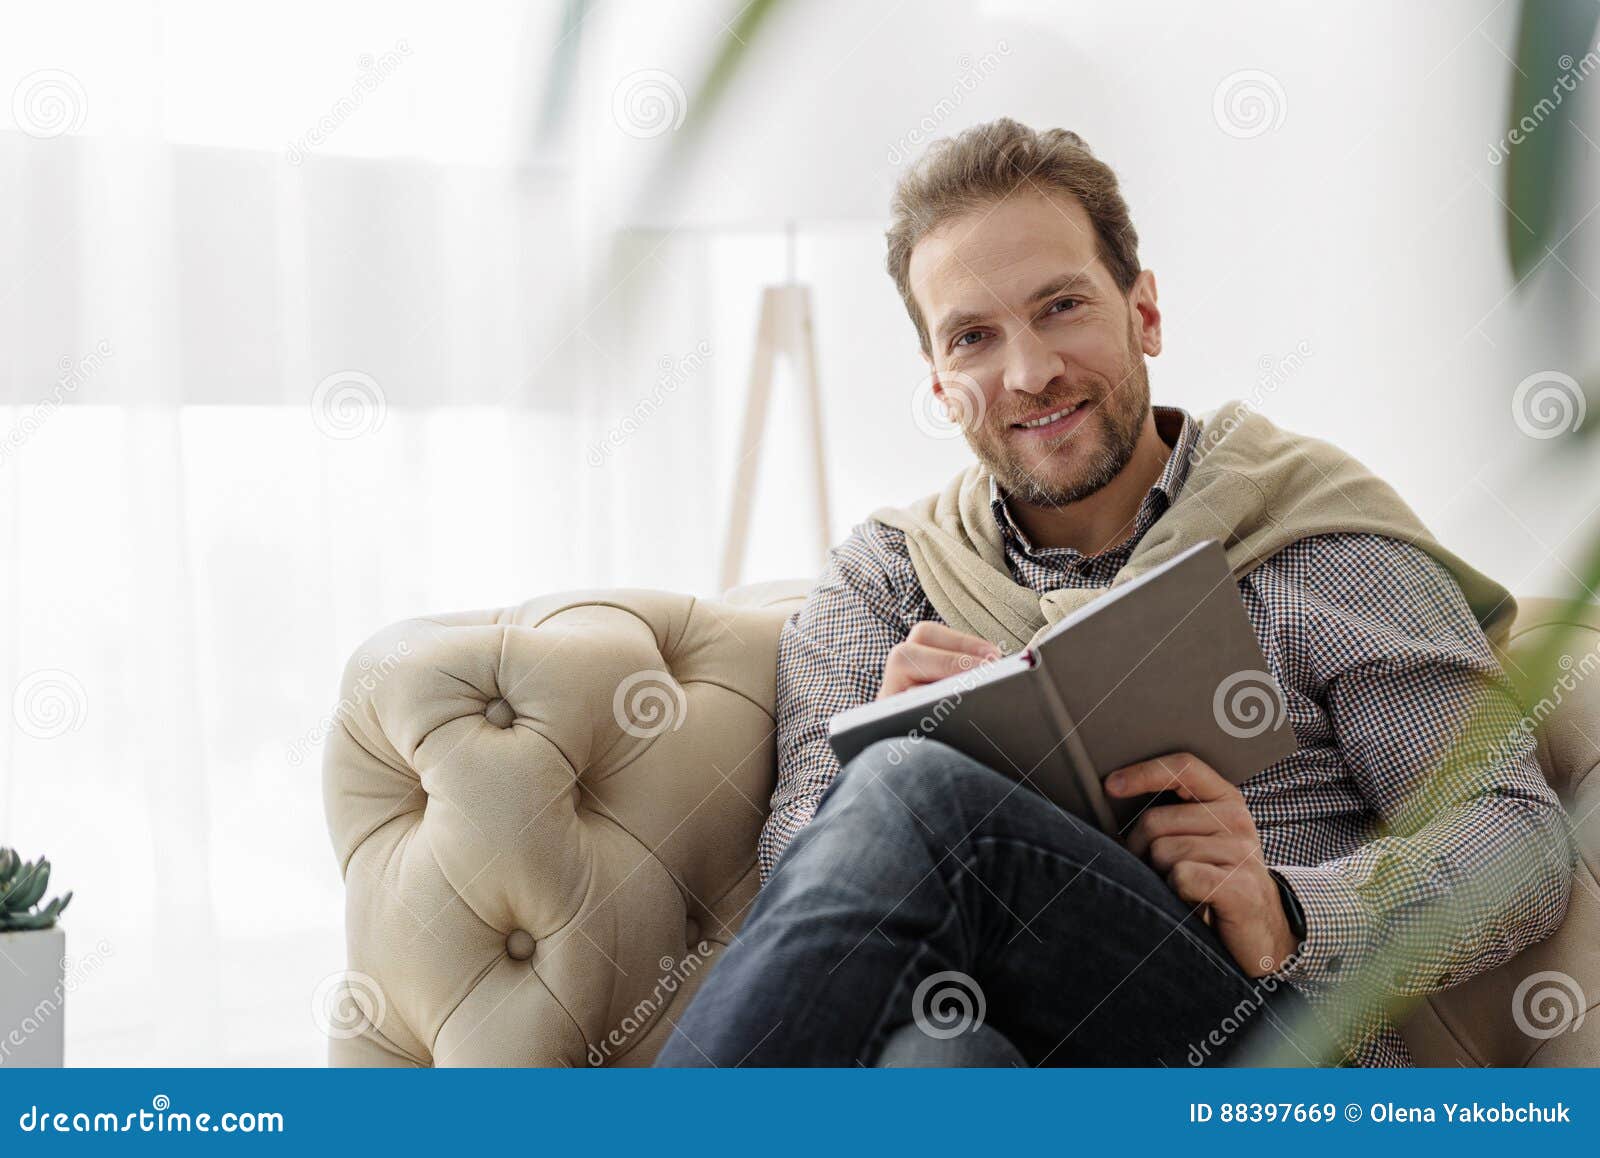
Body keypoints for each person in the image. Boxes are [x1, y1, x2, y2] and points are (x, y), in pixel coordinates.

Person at [654, 118, 1574, 1068]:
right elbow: (795, 893)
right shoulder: (886, 579)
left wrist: (1288, 905)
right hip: (994, 1047)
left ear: (1144, 315)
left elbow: (1515, 843)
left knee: (913, 790)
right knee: (939, 1061)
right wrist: (866, 778)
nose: (1029, 372)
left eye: (1061, 308)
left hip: (1259, 1051)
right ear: (939, 385)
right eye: (974, 338)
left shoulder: (1313, 532)